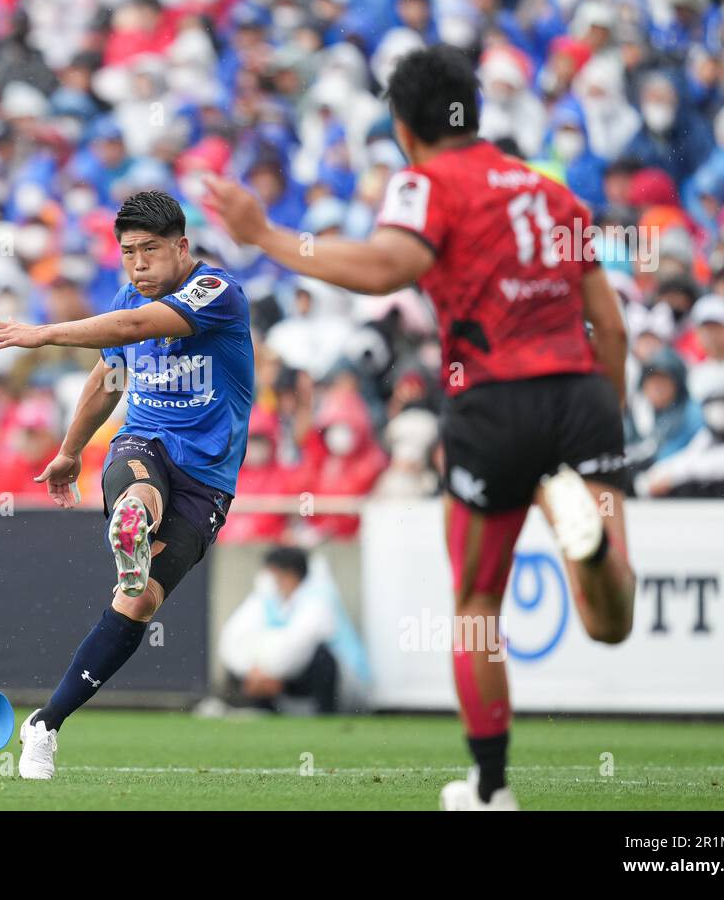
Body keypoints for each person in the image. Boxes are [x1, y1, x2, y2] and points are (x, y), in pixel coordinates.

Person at [207, 45, 637, 811]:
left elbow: (384, 269)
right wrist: (606, 418)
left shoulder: (427, 184)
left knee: (477, 605)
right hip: (581, 398)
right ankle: (591, 546)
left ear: (405, 129)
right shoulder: (553, 196)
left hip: (493, 405)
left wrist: (269, 237)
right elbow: (609, 324)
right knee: (609, 621)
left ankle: (490, 786)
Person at [0, 191, 253, 780]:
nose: (138, 265)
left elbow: (133, 326)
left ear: (182, 247)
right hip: (143, 444)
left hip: (206, 476)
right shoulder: (129, 298)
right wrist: (71, 452)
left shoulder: (217, 293)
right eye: (128, 253)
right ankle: (134, 517)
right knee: (138, 492)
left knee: (140, 601)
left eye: (150, 251)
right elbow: (110, 376)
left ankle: (42, 724)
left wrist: (44, 334)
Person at [218, 546, 371, 714]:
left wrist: (268, 674)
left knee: (321, 657)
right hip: (282, 676)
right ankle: (266, 715)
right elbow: (232, 639)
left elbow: (298, 646)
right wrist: (253, 672)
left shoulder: (319, 599)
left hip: (345, 687)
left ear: (290, 575)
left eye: (272, 574)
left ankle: (326, 715)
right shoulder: (268, 599)